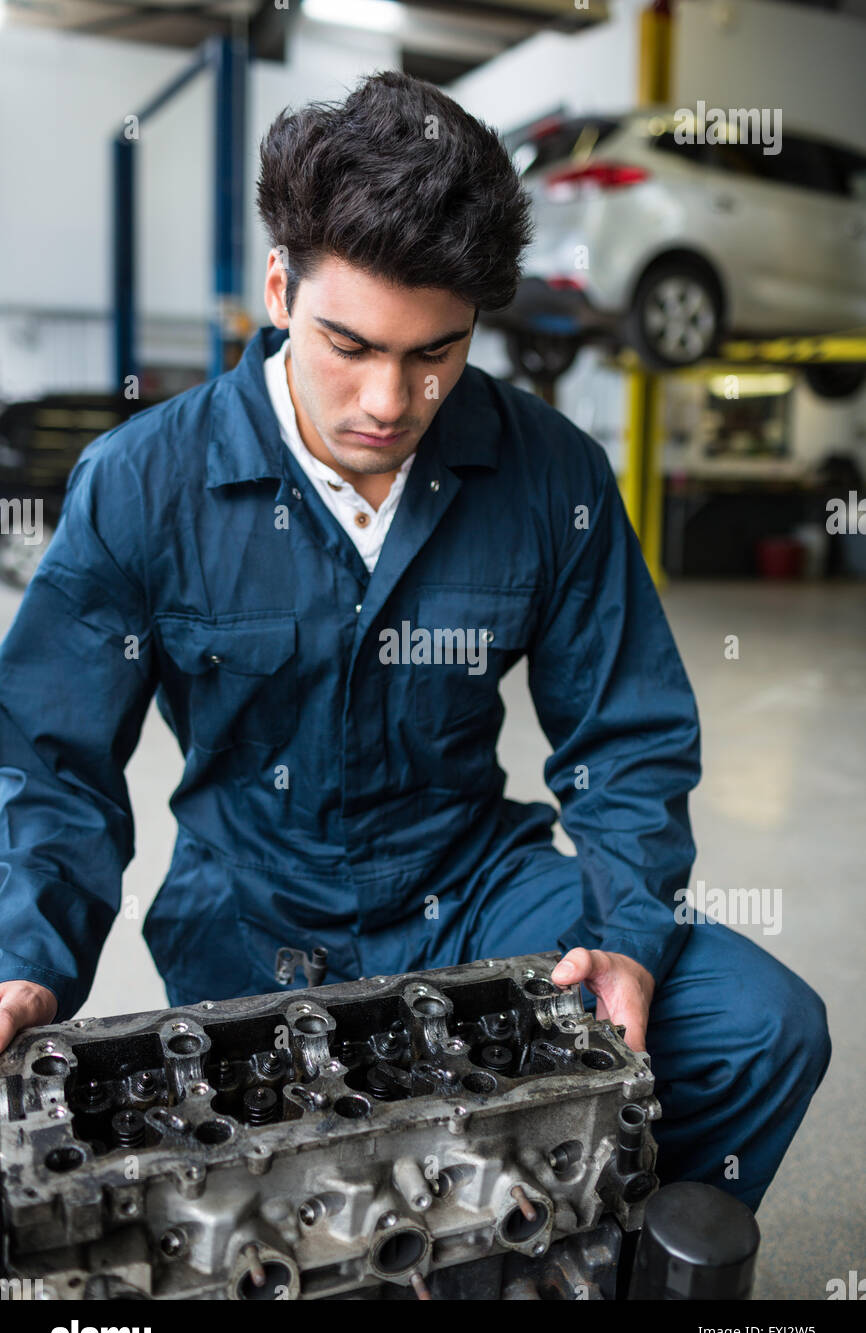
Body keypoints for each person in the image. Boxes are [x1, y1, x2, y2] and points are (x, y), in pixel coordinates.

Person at [0, 71, 829, 1211]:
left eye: (435, 351)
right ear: (280, 287)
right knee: (295, 1205)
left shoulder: (550, 474)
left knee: (761, 1027)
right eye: (349, 344)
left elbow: (627, 736)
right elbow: (51, 763)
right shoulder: (144, 482)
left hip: (471, 886)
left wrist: (627, 931)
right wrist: (24, 963)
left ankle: (581, 1260)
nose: (390, 399)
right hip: (253, 915)